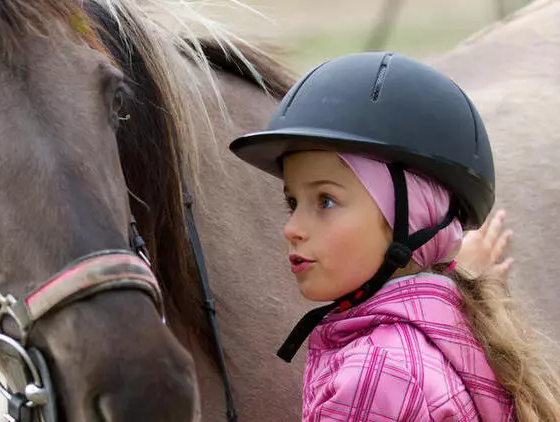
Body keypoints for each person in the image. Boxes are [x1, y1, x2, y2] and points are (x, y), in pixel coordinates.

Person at [229, 52, 560, 421]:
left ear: (411, 216)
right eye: (293, 202)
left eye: (325, 200)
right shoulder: (454, 334)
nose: (292, 228)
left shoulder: (375, 376)